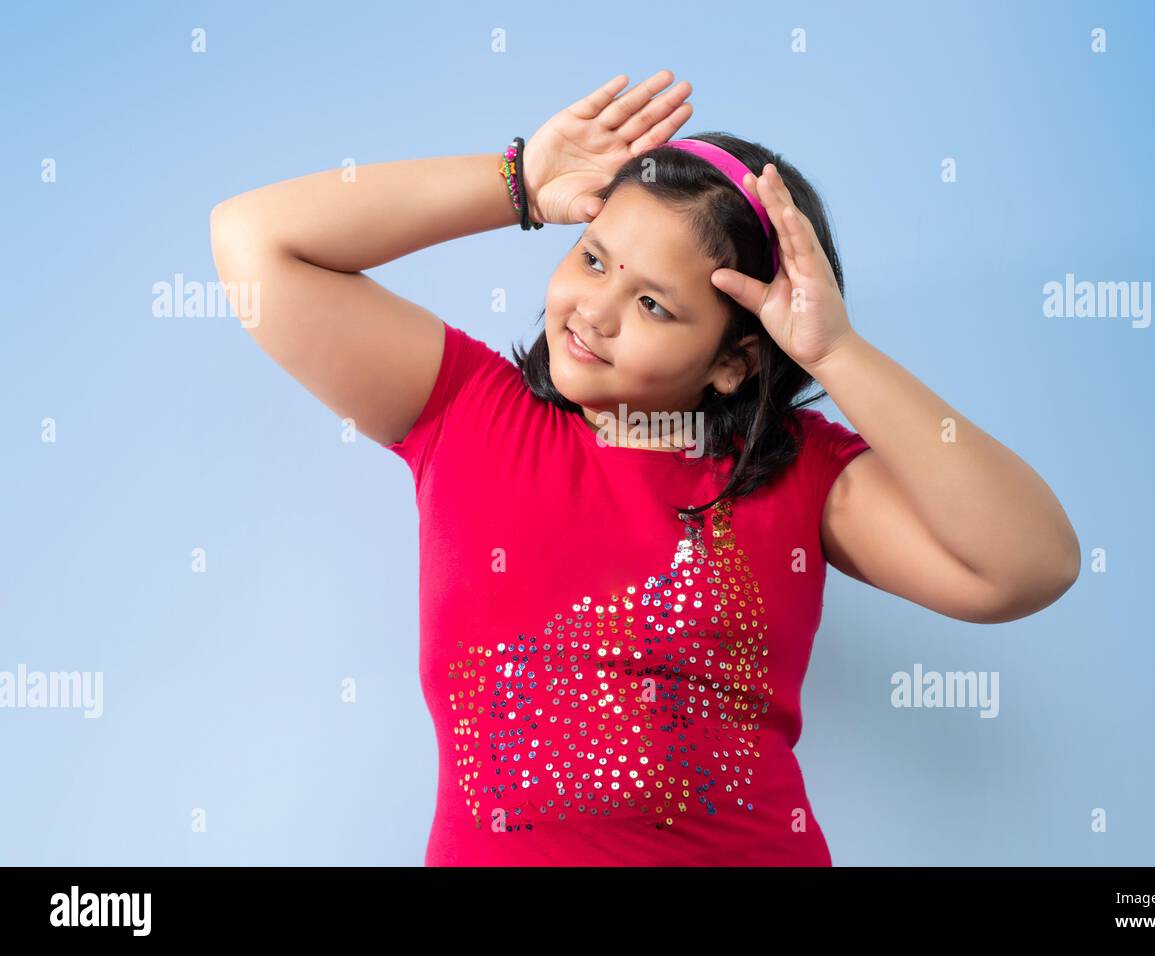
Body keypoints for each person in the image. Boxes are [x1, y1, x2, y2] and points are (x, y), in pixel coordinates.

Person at [209, 69, 1081, 866]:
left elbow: (1029, 567)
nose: (596, 310)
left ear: (735, 360)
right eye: (592, 258)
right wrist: (514, 180)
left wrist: (838, 352)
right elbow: (253, 242)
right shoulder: (466, 413)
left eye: (654, 304)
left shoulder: (800, 477)